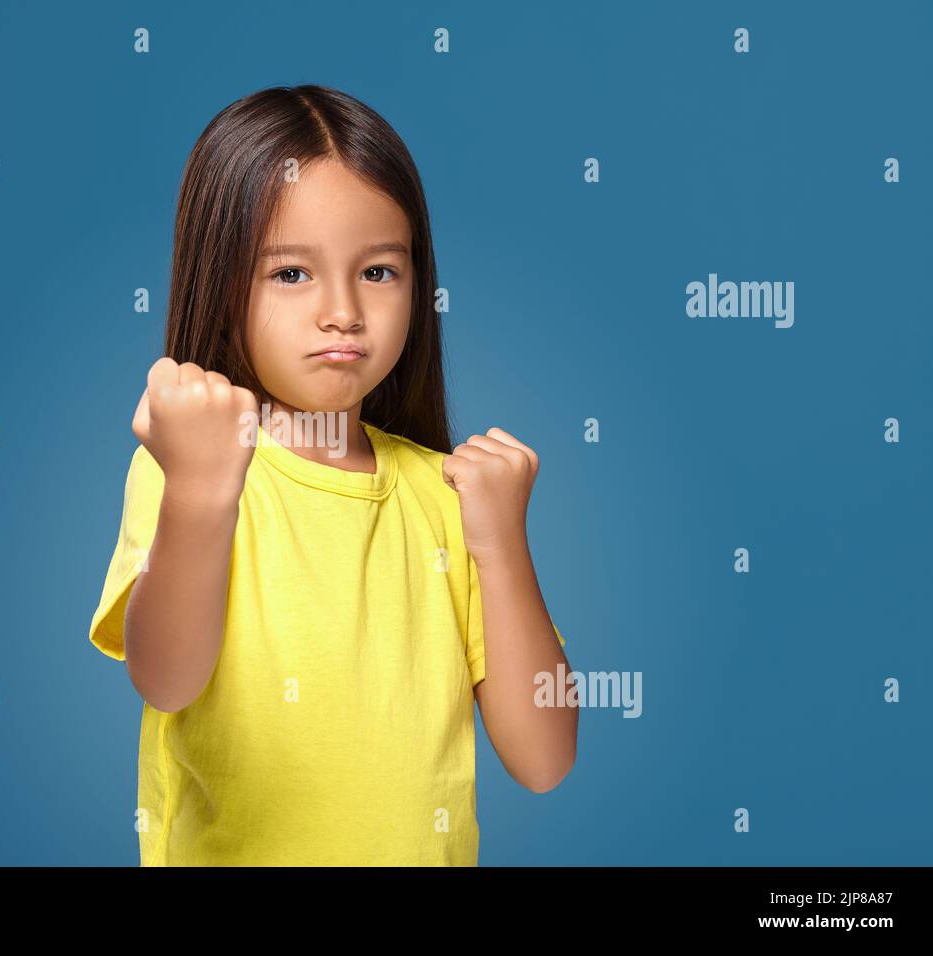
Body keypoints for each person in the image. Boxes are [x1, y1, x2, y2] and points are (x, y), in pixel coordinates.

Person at [89, 84, 576, 866]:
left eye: (380, 272)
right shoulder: (188, 473)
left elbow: (545, 760)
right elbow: (168, 679)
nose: (343, 310)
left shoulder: (445, 494)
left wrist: (503, 543)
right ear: (221, 283)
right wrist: (200, 491)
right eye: (290, 274)